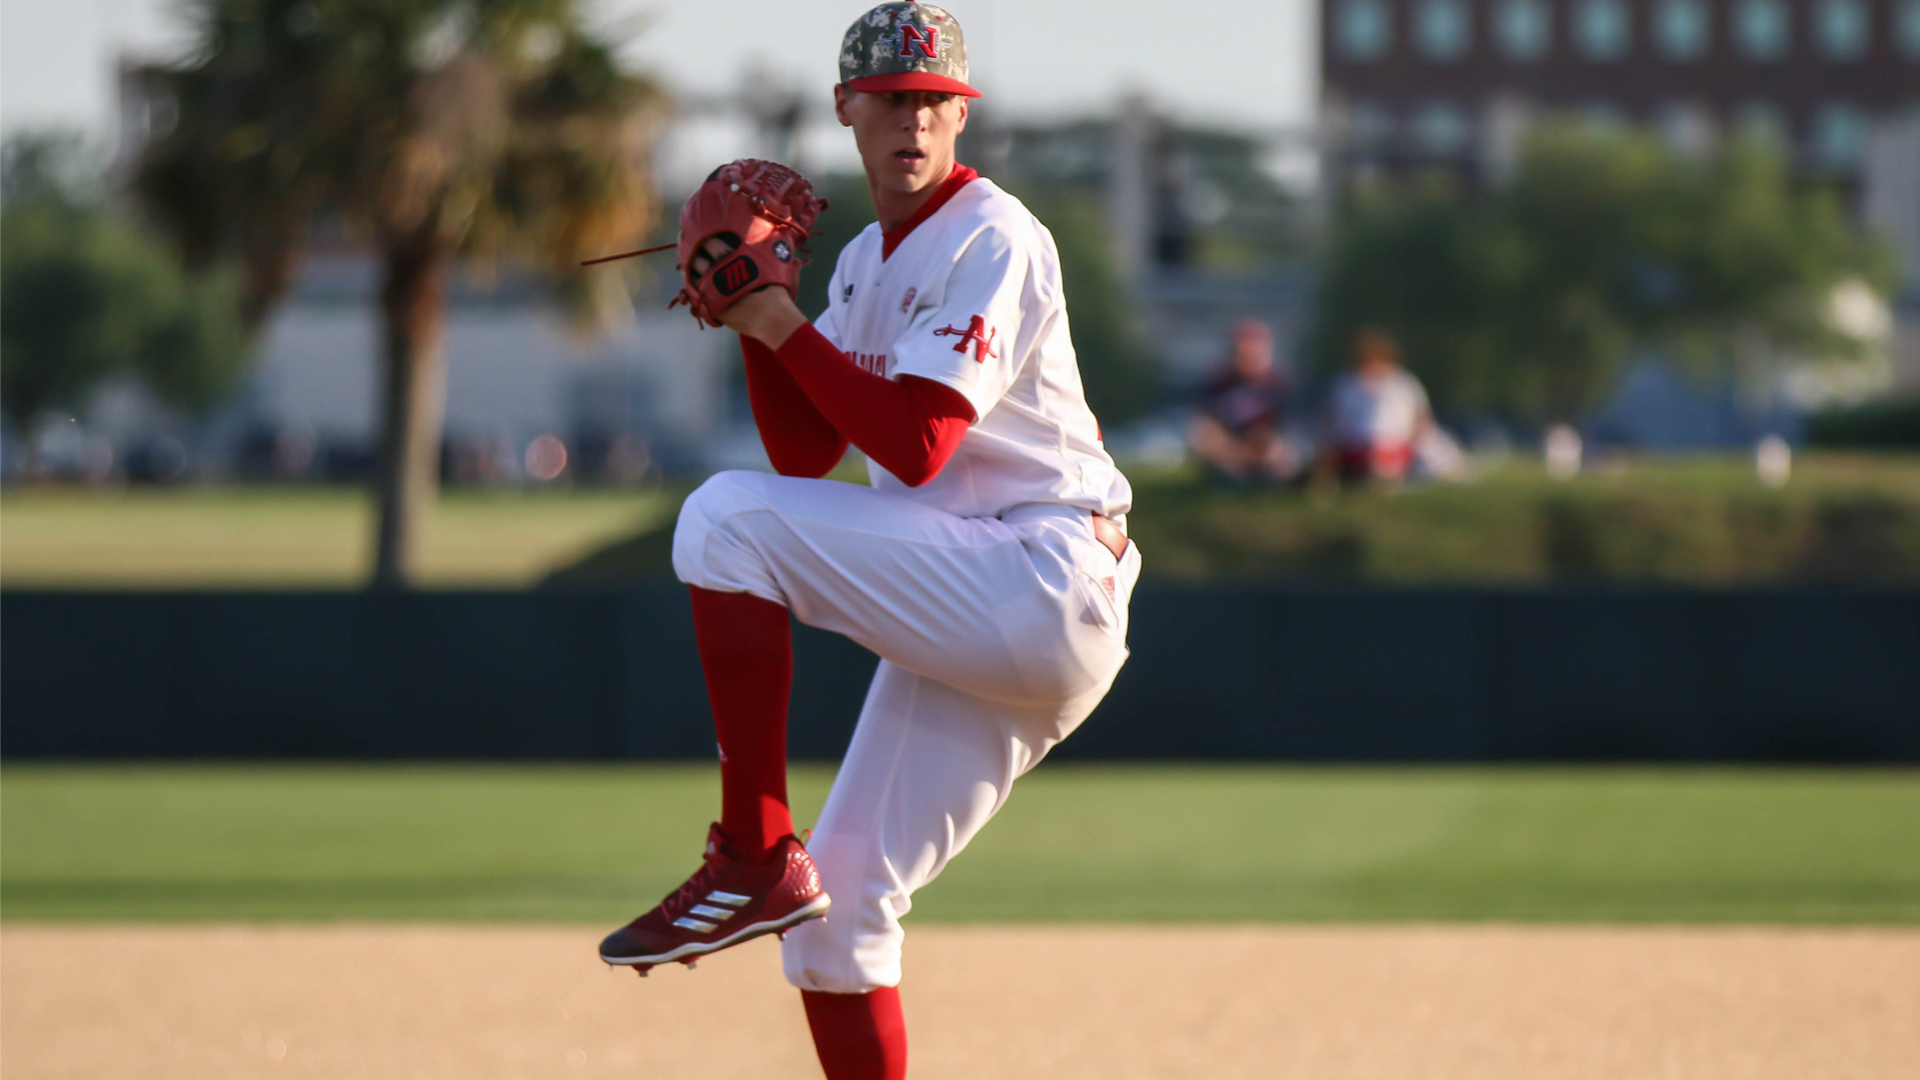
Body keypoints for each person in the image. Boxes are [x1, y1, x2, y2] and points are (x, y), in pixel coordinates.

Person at [597, 6, 1138, 1079]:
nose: (916, 118)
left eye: (937, 99)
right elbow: (805, 453)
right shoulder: (858, 264)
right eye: (892, 98)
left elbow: (919, 441)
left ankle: (753, 850)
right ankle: (777, 873)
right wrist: (763, 318)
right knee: (836, 928)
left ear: (960, 114)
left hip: (1042, 572)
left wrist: (782, 323)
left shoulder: (994, 234)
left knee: (720, 520)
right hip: (978, 594)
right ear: (847, 109)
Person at [1318, 327, 1436, 486]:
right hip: (1354, 451)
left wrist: (1411, 449)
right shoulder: (1346, 384)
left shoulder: (1402, 383)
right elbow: (1330, 424)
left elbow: (1421, 420)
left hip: (1395, 449)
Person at [1188, 318, 1297, 485]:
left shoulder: (1277, 383)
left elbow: (1288, 426)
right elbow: (1205, 424)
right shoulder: (1219, 383)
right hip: (1232, 447)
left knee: (1273, 447)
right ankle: (1236, 477)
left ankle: (1268, 476)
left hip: (1267, 446)